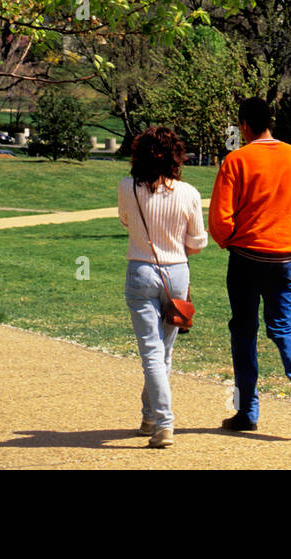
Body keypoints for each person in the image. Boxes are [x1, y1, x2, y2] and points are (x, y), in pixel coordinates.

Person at [209, 96, 291, 435]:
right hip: (286, 257)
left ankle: (247, 410)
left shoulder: (236, 160)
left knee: (244, 331)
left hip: (246, 257)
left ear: (244, 125)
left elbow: (221, 217)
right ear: (270, 121)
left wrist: (228, 240)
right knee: (284, 326)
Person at [119, 126, 207, 448]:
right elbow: (197, 243)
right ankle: (150, 416)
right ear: (176, 156)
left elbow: (126, 222)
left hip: (141, 269)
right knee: (163, 352)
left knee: (152, 352)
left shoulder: (127, 187)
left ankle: (162, 422)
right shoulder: (190, 193)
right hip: (177, 275)